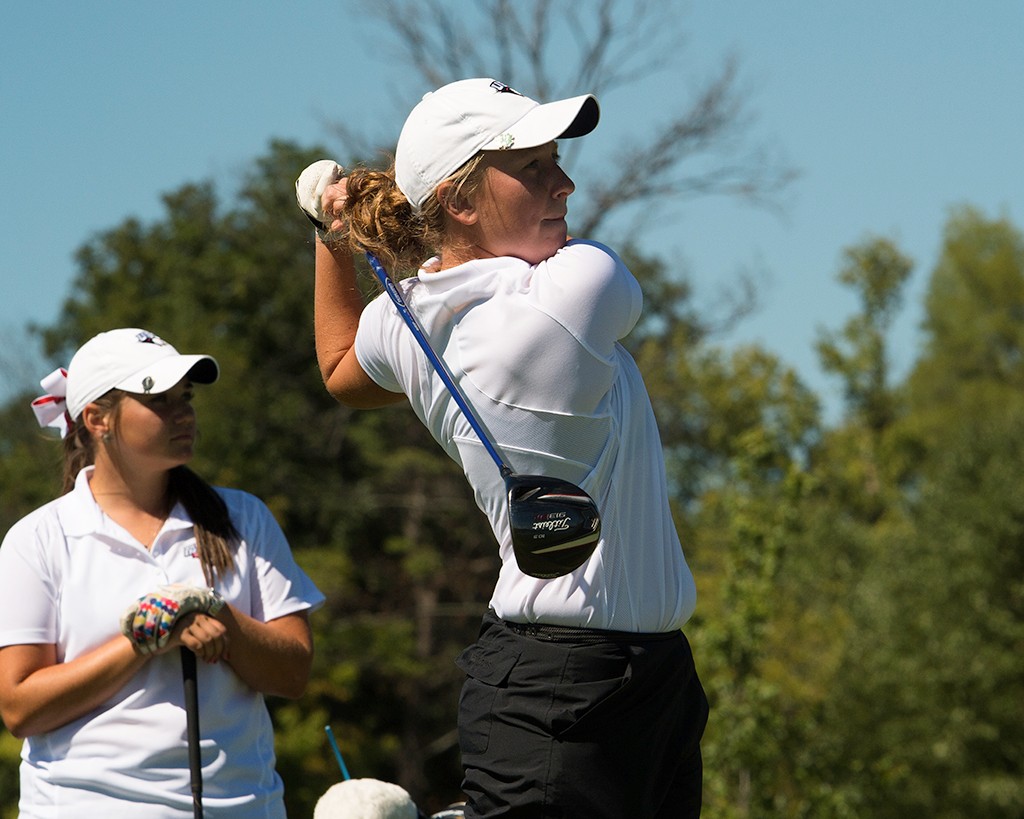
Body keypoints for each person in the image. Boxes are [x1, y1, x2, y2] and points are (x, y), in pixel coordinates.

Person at [296, 78, 709, 817]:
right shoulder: (574, 292)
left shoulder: (409, 321)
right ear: (458, 201)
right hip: (567, 686)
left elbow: (338, 371)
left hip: (634, 683)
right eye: (534, 168)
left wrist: (334, 236)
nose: (565, 183)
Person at [0, 327, 326, 818]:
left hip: (241, 808)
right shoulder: (39, 538)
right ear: (96, 419)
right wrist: (144, 638)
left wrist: (213, 614)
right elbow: (21, 707)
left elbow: (293, 671)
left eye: (186, 398)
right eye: (159, 400)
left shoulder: (244, 517)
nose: (184, 414)